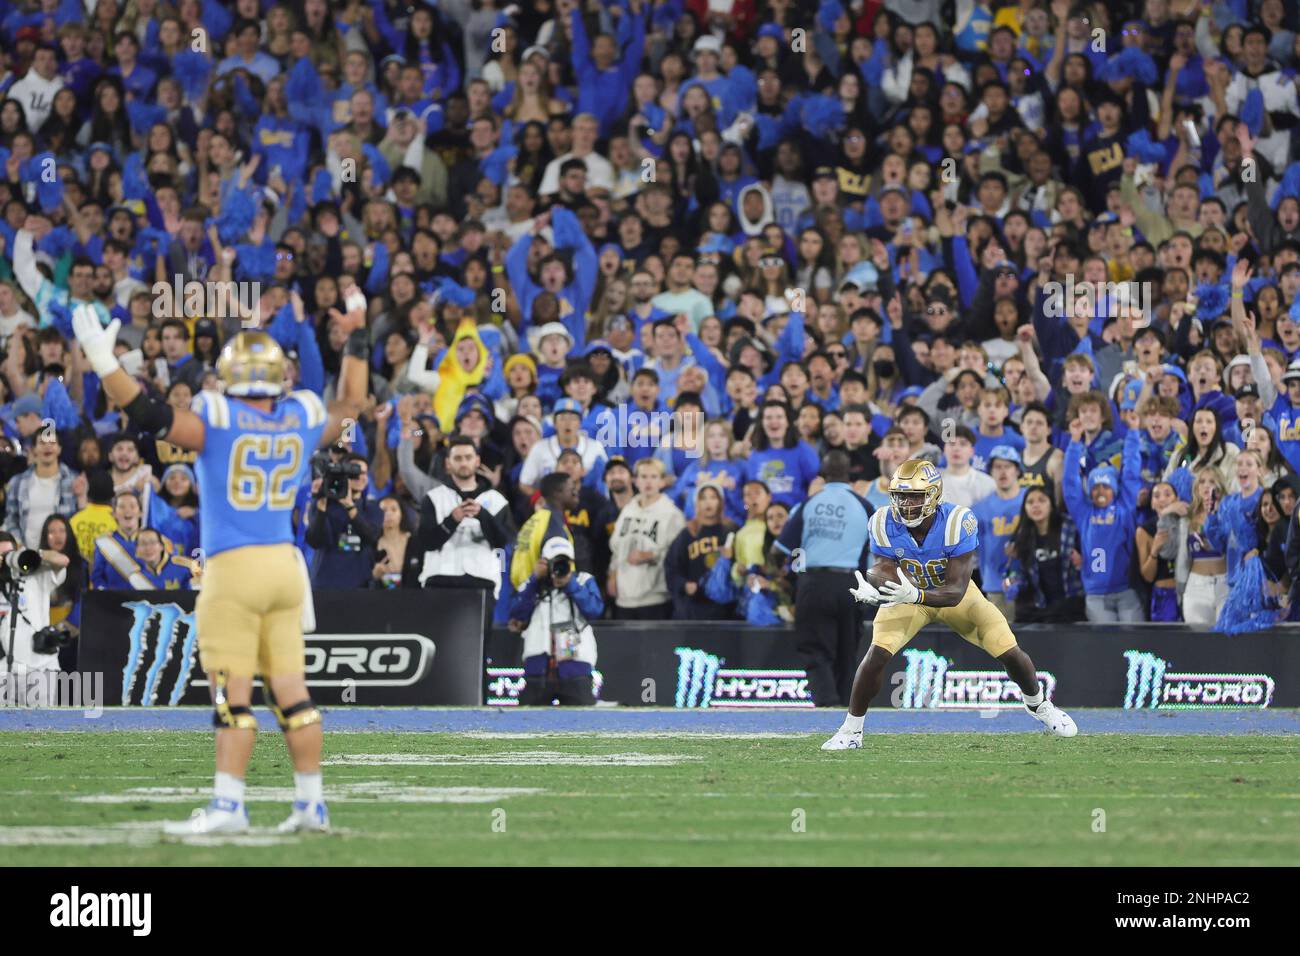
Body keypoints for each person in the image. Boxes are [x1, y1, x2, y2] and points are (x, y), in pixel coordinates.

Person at [71, 303, 367, 835]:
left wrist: (101, 360)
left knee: (232, 694)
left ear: (228, 376)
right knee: (292, 692)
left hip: (233, 568)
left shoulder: (217, 415)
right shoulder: (300, 416)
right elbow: (352, 402)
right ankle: (310, 804)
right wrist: (358, 338)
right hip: (285, 567)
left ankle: (230, 805)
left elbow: (148, 413)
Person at [822, 458, 1078, 749]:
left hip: (951, 596)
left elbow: (955, 590)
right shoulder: (882, 520)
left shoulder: (957, 521)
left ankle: (1039, 705)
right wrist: (876, 585)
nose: (905, 503)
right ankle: (852, 731)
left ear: (932, 495)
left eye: (914, 496)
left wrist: (914, 594)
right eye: (901, 495)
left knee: (1010, 651)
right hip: (909, 595)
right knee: (876, 655)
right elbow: (883, 566)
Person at [776, 450, 875, 707]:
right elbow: (874, 553)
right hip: (852, 584)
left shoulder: (810, 503)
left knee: (815, 649)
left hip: (815, 583)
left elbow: (780, 550)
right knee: (847, 652)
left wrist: (783, 574)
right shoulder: (864, 506)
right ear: (850, 473)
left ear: (822, 474)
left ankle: (826, 705)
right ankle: (846, 710)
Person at [415, 435, 512, 634]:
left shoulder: (496, 500)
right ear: (448, 463)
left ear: (477, 461)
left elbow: (503, 542)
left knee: (478, 648)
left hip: (481, 580)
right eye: (457, 458)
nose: (463, 463)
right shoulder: (434, 498)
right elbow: (426, 542)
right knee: (437, 643)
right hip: (439, 579)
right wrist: (453, 519)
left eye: (468, 457)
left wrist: (482, 515)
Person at [1063, 423, 1145, 622]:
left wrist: (1133, 433)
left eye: (1105, 486)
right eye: (1095, 487)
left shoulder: (1125, 507)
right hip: (1096, 594)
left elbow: (1132, 472)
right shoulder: (1084, 513)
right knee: (1105, 650)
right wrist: (1074, 443)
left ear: (1115, 489)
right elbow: (1070, 483)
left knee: (1137, 646)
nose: (1100, 492)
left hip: (1127, 590)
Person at [507, 536, 603, 706]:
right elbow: (516, 612)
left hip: (576, 669)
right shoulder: (534, 584)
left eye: (564, 562)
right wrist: (534, 580)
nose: (559, 567)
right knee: (526, 725)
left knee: (584, 726)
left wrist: (570, 584)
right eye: (554, 562)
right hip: (538, 670)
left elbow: (594, 609)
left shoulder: (582, 580)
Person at [607, 457, 684, 619]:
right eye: (643, 477)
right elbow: (616, 549)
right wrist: (612, 575)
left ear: (662, 482)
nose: (648, 482)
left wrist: (650, 555)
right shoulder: (628, 510)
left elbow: (679, 557)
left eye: (654, 477)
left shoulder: (672, 515)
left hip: (655, 598)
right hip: (624, 596)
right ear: (635, 481)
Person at [0, 530, 71, 706]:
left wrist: (32, 555)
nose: (3, 560)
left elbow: (63, 561)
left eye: (7, 554)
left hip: (40, 666)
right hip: (3, 668)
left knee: (41, 730)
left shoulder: (36, 575)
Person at [1004, 488, 1085, 624]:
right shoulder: (1022, 536)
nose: (1036, 505)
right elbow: (1015, 573)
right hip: (1040, 605)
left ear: (1051, 505)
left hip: (1071, 602)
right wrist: (1012, 581)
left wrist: (1081, 565)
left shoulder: (1070, 527)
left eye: (1041, 500)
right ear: (1025, 509)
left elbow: (1088, 560)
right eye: (1030, 502)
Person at [971, 446, 1026, 620]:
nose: (1003, 472)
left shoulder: (1032, 500)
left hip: (1031, 583)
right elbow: (976, 549)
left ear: (1017, 470)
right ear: (991, 472)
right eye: (997, 467)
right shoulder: (979, 509)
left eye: (1007, 466)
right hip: (996, 585)